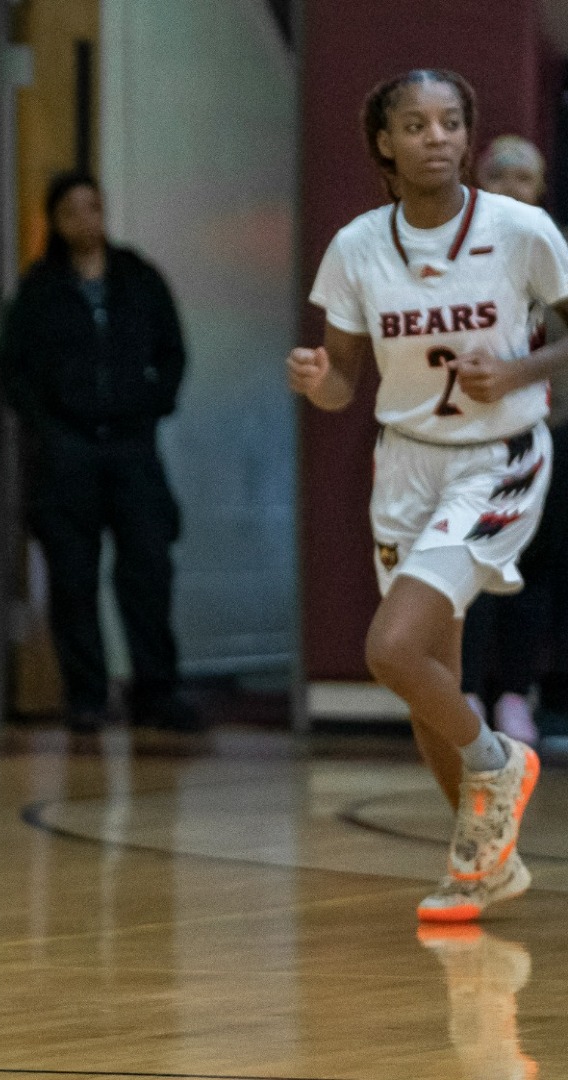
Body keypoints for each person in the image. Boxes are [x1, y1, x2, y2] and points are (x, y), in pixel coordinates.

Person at [289, 69, 564, 921]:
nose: (436, 136)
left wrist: (517, 370)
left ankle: (496, 761)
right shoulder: (358, 245)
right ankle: (482, 856)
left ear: (467, 136)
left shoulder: (522, 230)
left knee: (391, 649)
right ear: (385, 141)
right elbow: (342, 383)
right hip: (405, 462)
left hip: (499, 457)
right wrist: (317, 380)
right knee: (425, 675)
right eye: (416, 124)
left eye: (450, 122)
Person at [0, 173, 199, 734]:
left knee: (148, 570)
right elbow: (13, 369)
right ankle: (86, 697)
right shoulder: (39, 289)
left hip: (134, 448)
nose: (86, 220)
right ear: (56, 221)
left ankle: (157, 690)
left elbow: (172, 349)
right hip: (67, 454)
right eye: (72, 211)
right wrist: (49, 426)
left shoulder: (137, 277)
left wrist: (153, 403)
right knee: (72, 578)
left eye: (94, 208)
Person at [461, 134, 568, 748]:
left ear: (541, 189)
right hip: (468, 443)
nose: (510, 187)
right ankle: (467, 692)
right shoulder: (455, 253)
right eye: (498, 175)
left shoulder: (556, 259)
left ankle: (514, 695)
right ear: (479, 182)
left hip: (545, 436)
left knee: (532, 573)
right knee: (471, 567)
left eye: (523, 177)